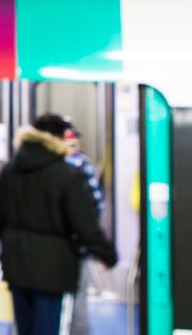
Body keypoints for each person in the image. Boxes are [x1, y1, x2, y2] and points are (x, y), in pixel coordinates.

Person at [0, 113, 118, 335]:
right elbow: (85, 223)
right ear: (57, 138)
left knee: (24, 327)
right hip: (54, 268)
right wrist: (107, 255)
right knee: (50, 328)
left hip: (15, 262)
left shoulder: (10, 170)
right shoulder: (67, 174)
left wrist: (13, 243)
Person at [62, 124, 104, 335]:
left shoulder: (46, 167)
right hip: (73, 246)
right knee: (76, 298)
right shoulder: (83, 165)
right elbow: (96, 207)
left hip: (54, 248)